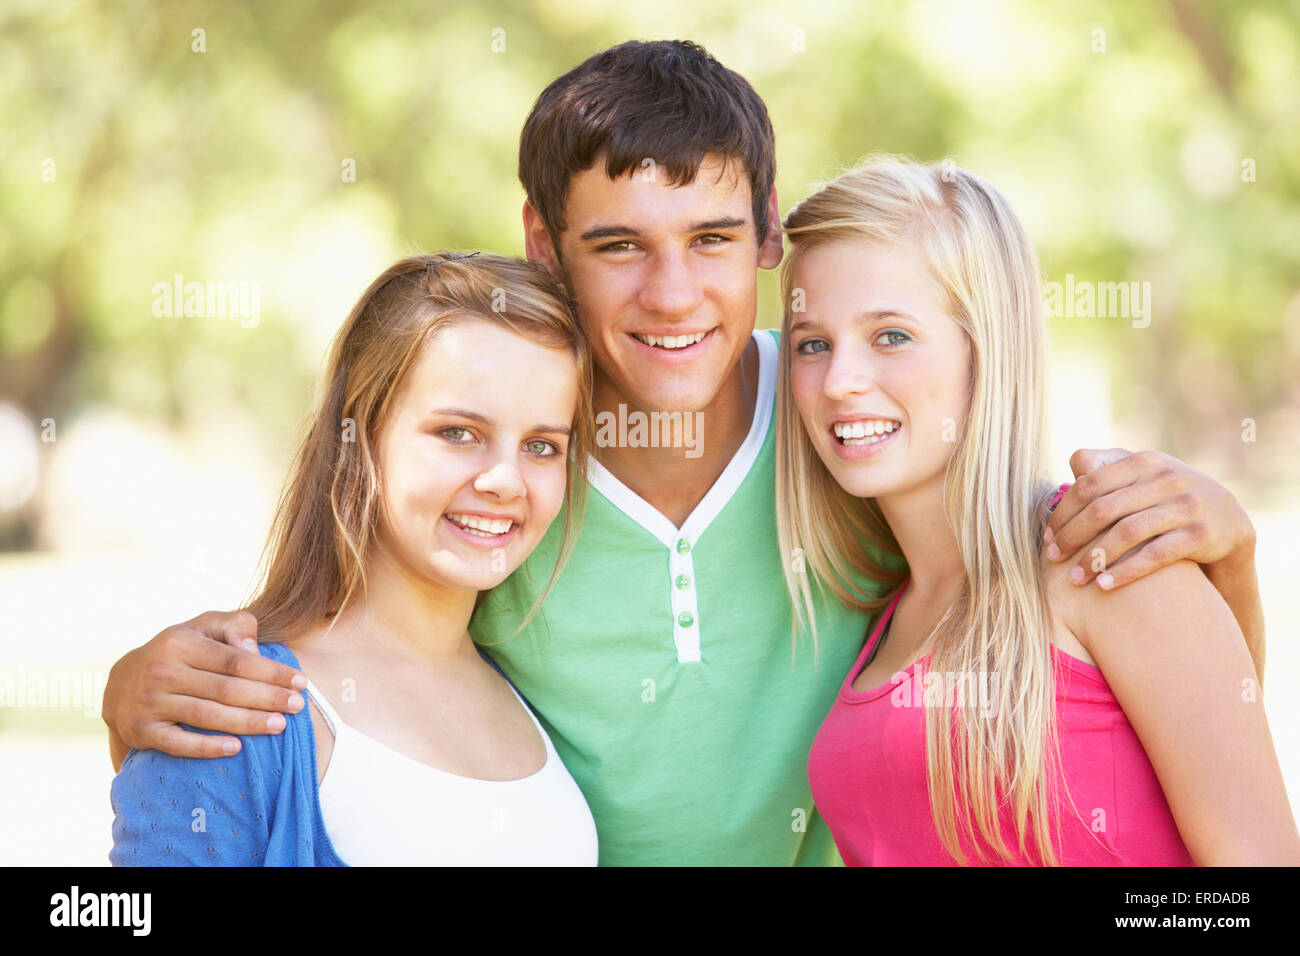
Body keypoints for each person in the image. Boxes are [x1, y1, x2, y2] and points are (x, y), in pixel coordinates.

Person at [101, 41, 1267, 866]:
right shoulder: (514, 483)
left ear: (767, 232)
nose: (672, 296)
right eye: (617, 245)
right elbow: (333, 647)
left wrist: (1229, 540)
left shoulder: (843, 441)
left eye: (712, 238)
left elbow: (1186, 740)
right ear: (543, 244)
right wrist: (132, 694)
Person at [780, 158, 1299, 865]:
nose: (839, 380)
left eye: (891, 336)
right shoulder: (880, 613)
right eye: (813, 343)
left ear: (984, 350)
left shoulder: (1107, 557)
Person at [110, 252, 599, 865]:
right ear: (360, 434)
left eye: (542, 445)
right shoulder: (229, 703)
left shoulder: (531, 686)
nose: (507, 479)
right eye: (457, 433)